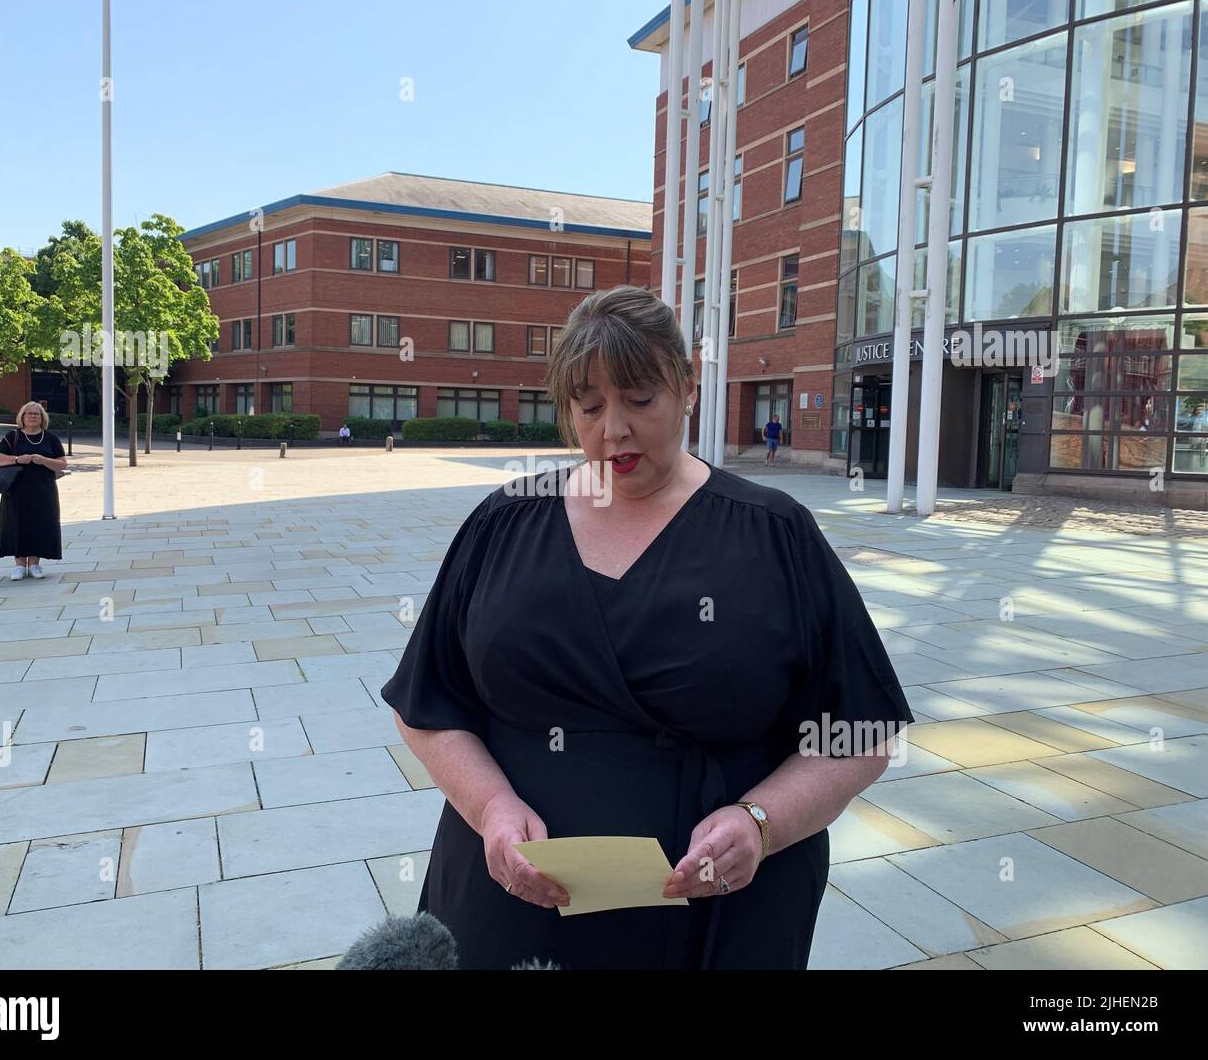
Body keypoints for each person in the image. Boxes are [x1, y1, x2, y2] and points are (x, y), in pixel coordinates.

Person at [381, 285, 913, 970]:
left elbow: (859, 735)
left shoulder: (775, 534)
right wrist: (491, 807)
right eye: (590, 405)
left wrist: (760, 821)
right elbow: (428, 706)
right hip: (508, 902)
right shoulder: (502, 523)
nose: (613, 431)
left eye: (640, 399)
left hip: (712, 921)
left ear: (687, 387)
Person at [0, 401, 67, 580]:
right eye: (29, 413)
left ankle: (34, 564)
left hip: (43, 490)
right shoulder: (12, 436)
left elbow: (62, 463)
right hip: (16, 489)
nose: (32, 416)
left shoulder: (50, 438)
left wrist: (44, 460)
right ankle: (18, 566)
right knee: (17, 523)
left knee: (40, 524)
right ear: (22, 417)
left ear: (42, 418)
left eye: (36, 414)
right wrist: (17, 459)